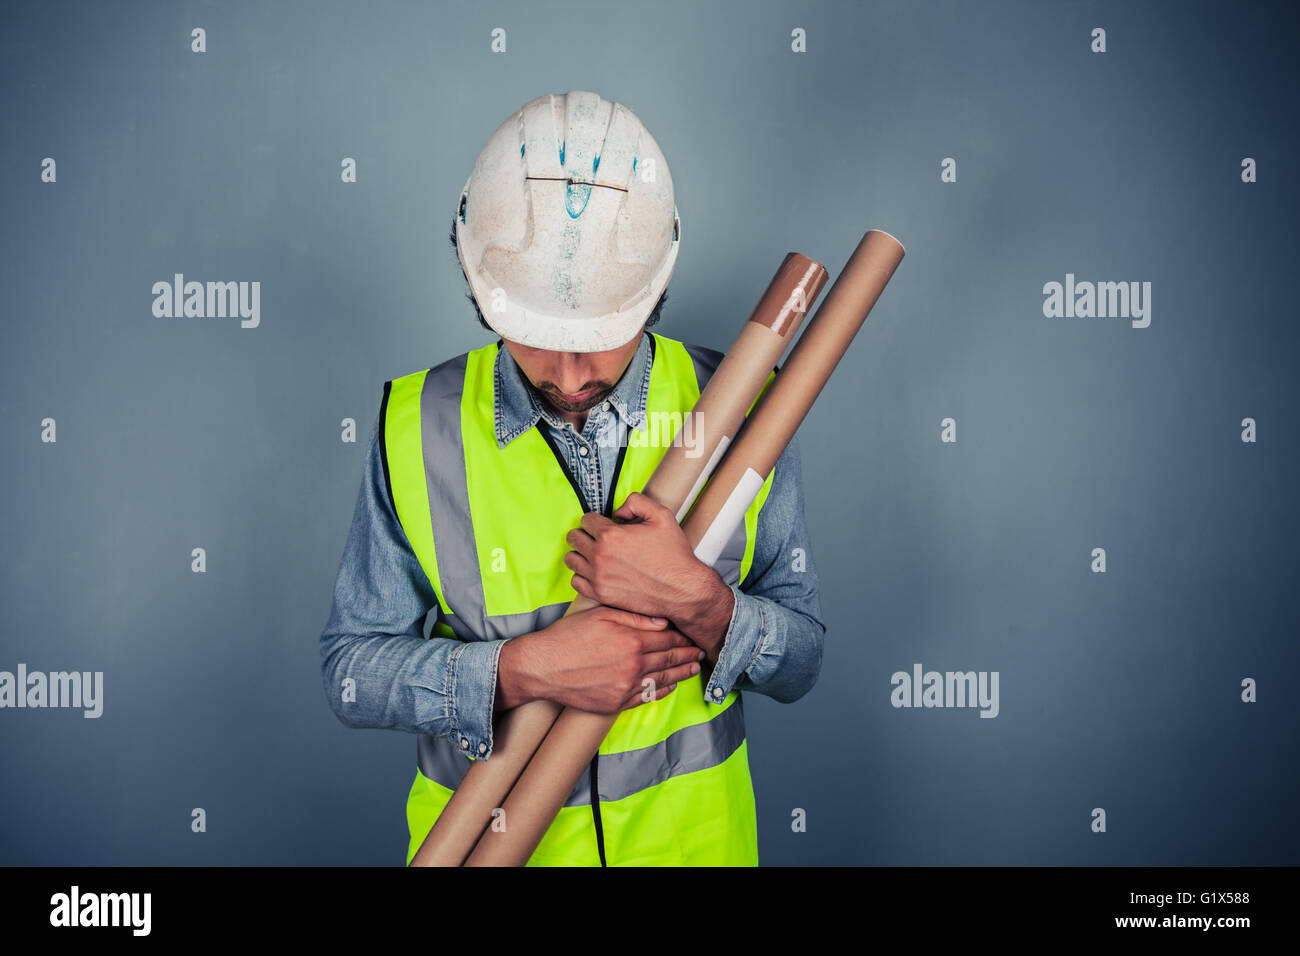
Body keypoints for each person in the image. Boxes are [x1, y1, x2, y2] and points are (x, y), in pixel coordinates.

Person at [319, 91, 825, 866]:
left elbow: (800, 662)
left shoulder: (745, 409)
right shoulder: (416, 428)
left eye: (602, 335)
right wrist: (521, 670)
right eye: (535, 335)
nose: (570, 372)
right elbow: (351, 670)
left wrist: (700, 602)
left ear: (654, 290)